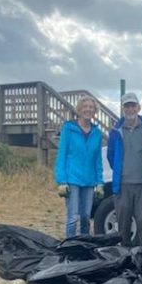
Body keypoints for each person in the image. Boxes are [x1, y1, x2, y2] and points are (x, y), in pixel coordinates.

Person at [107, 92, 142, 246]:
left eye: (133, 106)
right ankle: (124, 258)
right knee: (123, 224)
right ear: (123, 109)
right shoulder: (115, 132)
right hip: (123, 185)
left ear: (138, 107)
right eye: (127, 106)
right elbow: (111, 155)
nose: (130, 109)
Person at [54, 95, 104, 238]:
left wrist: (100, 182)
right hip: (72, 179)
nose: (88, 109)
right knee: (72, 218)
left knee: (85, 217)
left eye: (91, 107)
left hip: (89, 180)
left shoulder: (96, 133)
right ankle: (70, 247)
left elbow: (97, 160)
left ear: (94, 111)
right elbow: (62, 155)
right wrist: (61, 180)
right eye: (85, 107)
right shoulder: (69, 129)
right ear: (79, 109)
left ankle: (84, 246)